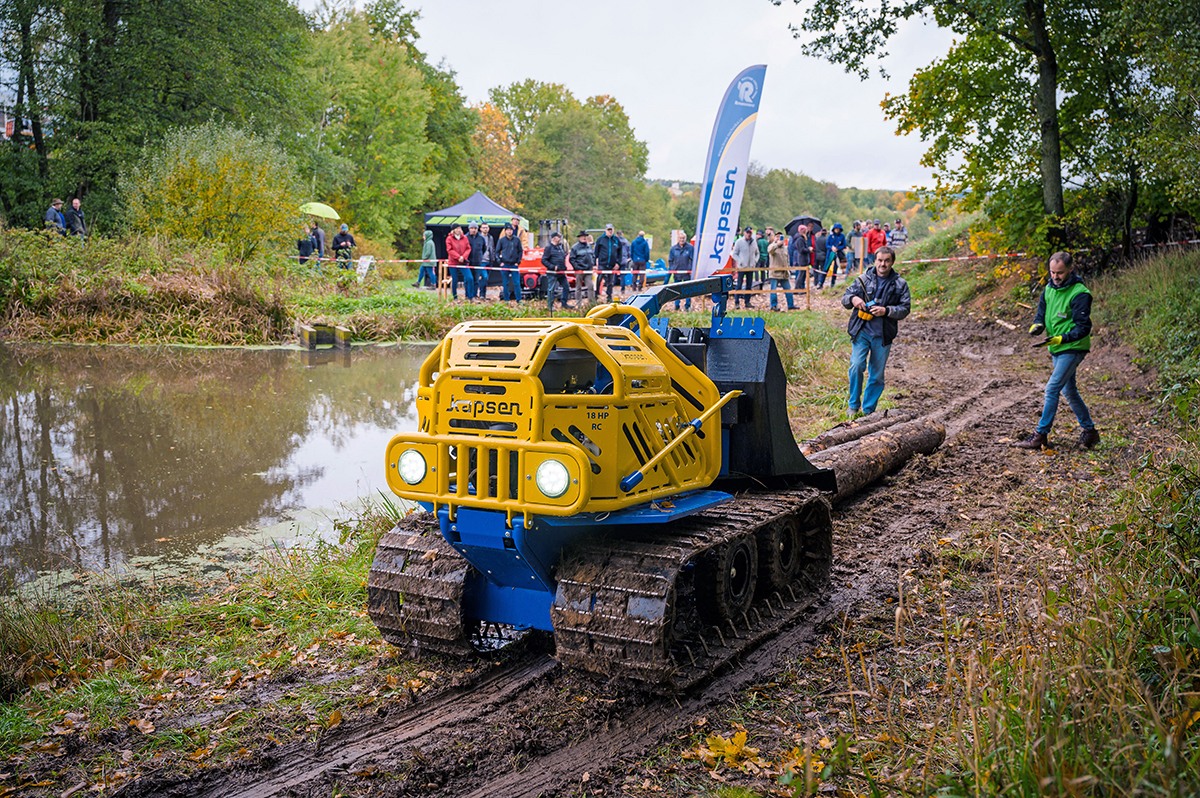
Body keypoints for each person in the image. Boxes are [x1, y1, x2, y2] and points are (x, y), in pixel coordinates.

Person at [1013, 251, 1100, 450]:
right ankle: (1090, 432)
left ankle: (1040, 434)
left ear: (1070, 269)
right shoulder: (1049, 289)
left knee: (1052, 388)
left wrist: (1063, 338)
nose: (1055, 276)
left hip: (1073, 347)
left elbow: (1083, 327)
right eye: (1052, 272)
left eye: (1059, 273)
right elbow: (1041, 313)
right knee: (1069, 390)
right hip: (1056, 347)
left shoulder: (1080, 293)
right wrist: (1037, 325)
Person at [841, 246, 911, 418]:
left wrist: (886, 311)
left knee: (877, 375)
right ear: (875, 261)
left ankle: (868, 411)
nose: (883, 264)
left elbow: (905, 309)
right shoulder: (863, 279)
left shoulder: (900, 284)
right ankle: (853, 406)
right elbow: (845, 298)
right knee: (856, 366)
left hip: (883, 335)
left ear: (892, 262)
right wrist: (854, 299)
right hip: (861, 331)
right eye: (880, 260)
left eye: (887, 261)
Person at [543, 230, 571, 311]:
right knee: (551, 289)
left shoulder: (560, 247)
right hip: (552, 272)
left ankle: (564, 303)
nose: (560, 239)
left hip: (561, 272)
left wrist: (564, 267)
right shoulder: (548, 248)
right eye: (558, 237)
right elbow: (544, 260)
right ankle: (550, 306)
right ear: (554, 238)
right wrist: (552, 267)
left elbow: (563, 257)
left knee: (566, 287)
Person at [767, 231, 795, 311]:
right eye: (777, 236)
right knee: (773, 290)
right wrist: (777, 244)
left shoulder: (785, 248)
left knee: (788, 290)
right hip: (774, 273)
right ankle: (773, 306)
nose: (779, 238)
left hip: (784, 273)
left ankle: (791, 305)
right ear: (775, 238)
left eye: (780, 237)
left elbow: (787, 259)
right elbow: (770, 250)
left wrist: (788, 268)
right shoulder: (772, 246)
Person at [667, 230, 694, 311]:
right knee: (676, 290)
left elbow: (692, 259)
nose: (682, 240)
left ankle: (687, 306)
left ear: (685, 238)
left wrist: (690, 269)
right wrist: (673, 269)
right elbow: (670, 260)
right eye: (680, 238)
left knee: (688, 290)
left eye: (683, 238)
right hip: (677, 272)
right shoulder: (673, 249)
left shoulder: (690, 248)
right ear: (678, 239)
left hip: (687, 273)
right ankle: (676, 305)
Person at [595, 224, 623, 302]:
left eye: (611, 230)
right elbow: (596, 252)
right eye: (608, 230)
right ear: (605, 230)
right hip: (602, 263)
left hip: (612, 264)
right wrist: (595, 262)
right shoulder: (600, 239)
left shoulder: (616, 240)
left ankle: (609, 296)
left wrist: (618, 263)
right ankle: (596, 294)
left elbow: (620, 253)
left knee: (611, 281)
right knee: (599, 278)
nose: (610, 231)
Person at [445, 224, 474, 300]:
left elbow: (468, 248)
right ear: (453, 230)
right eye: (457, 228)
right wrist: (458, 257)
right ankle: (455, 296)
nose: (459, 230)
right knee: (455, 279)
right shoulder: (449, 238)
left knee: (470, 278)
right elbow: (449, 250)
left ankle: (470, 296)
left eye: (460, 228)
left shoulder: (465, 238)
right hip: (453, 262)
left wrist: (463, 257)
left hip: (463, 262)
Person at [731, 226, 757, 308]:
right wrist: (740, 261)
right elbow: (734, 254)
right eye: (747, 232)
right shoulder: (739, 242)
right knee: (739, 284)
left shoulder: (754, 242)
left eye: (750, 233)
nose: (749, 234)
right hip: (742, 267)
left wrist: (755, 261)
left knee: (749, 285)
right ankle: (736, 302)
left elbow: (757, 253)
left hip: (750, 267)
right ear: (744, 233)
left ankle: (747, 302)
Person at [496, 223, 523, 302]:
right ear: (505, 231)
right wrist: (500, 262)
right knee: (505, 283)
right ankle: (506, 300)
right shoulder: (501, 240)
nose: (509, 231)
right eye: (508, 230)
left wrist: (518, 262)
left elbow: (520, 251)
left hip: (514, 264)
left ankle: (519, 300)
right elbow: (497, 252)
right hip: (505, 264)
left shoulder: (517, 240)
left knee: (517, 283)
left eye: (511, 230)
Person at [569, 230, 596, 305]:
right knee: (578, 287)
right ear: (579, 238)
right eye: (582, 236)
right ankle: (578, 304)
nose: (584, 238)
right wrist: (577, 267)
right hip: (579, 270)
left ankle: (592, 303)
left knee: (590, 286)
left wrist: (592, 264)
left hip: (588, 270)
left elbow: (593, 256)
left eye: (585, 236)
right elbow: (572, 259)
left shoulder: (589, 246)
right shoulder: (575, 247)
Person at [465, 222, 485, 301]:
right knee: (468, 279)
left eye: (475, 228)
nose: (473, 230)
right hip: (468, 262)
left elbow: (484, 248)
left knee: (476, 280)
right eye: (472, 228)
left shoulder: (481, 238)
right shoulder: (465, 237)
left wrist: (480, 257)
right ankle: (467, 295)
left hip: (477, 262)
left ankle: (474, 295)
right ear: (469, 229)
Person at [789, 223, 811, 291]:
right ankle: (797, 288)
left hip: (804, 259)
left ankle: (801, 288)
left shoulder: (803, 238)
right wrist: (808, 250)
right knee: (801, 275)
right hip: (802, 259)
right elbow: (801, 250)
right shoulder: (800, 239)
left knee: (803, 275)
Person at [477, 222, 496, 299]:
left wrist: (493, 257)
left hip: (489, 260)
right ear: (480, 229)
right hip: (481, 261)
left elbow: (492, 248)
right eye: (484, 227)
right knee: (484, 277)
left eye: (486, 227)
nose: (485, 229)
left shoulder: (490, 237)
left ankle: (483, 295)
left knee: (486, 279)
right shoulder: (478, 237)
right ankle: (481, 293)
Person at [826, 223, 848, 287]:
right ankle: (821, 282)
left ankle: (832, 283)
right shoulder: (830, 236)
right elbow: (827, 245)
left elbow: (844, 245)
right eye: (836, 229)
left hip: (838, 254)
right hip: (830, 253)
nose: (837, 230)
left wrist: (838, 248)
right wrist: (832, 247)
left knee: (835, 269)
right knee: (826, 267)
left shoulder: (842, 236)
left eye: (838, 229)